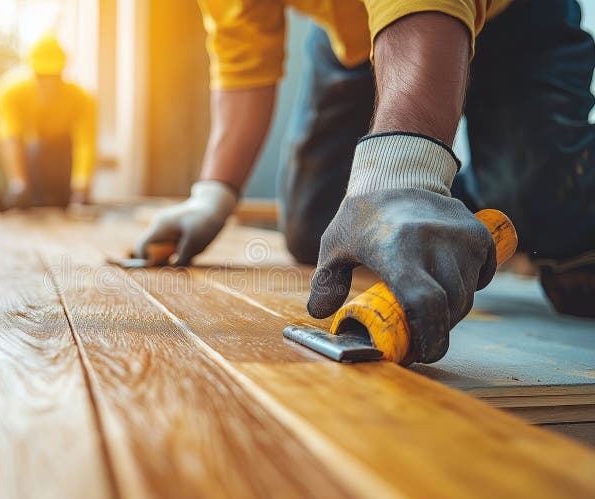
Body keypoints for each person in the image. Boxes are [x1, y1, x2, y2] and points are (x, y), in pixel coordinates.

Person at [135, 0, 595, 364]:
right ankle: (457, 205)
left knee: (537, 204)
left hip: (514, 18)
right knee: (320, 230)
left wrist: (405, 175)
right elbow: (242, 64)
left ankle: (548, 221)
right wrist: (212, 194)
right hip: (354, 29)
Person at [0, 33, 96, 208]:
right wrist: (19, 185)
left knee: (62, 199)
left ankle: (60, 196)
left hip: (64, 153)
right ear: (31, 71)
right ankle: (32, 195)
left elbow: (85, 144)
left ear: (62, 72)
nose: (48, 83)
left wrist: (81, 189)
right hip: (32, 150)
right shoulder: (9, 92)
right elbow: (10, 139)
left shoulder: (82, 99)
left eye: (54, 76)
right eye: (42, 76)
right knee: (34, 152)